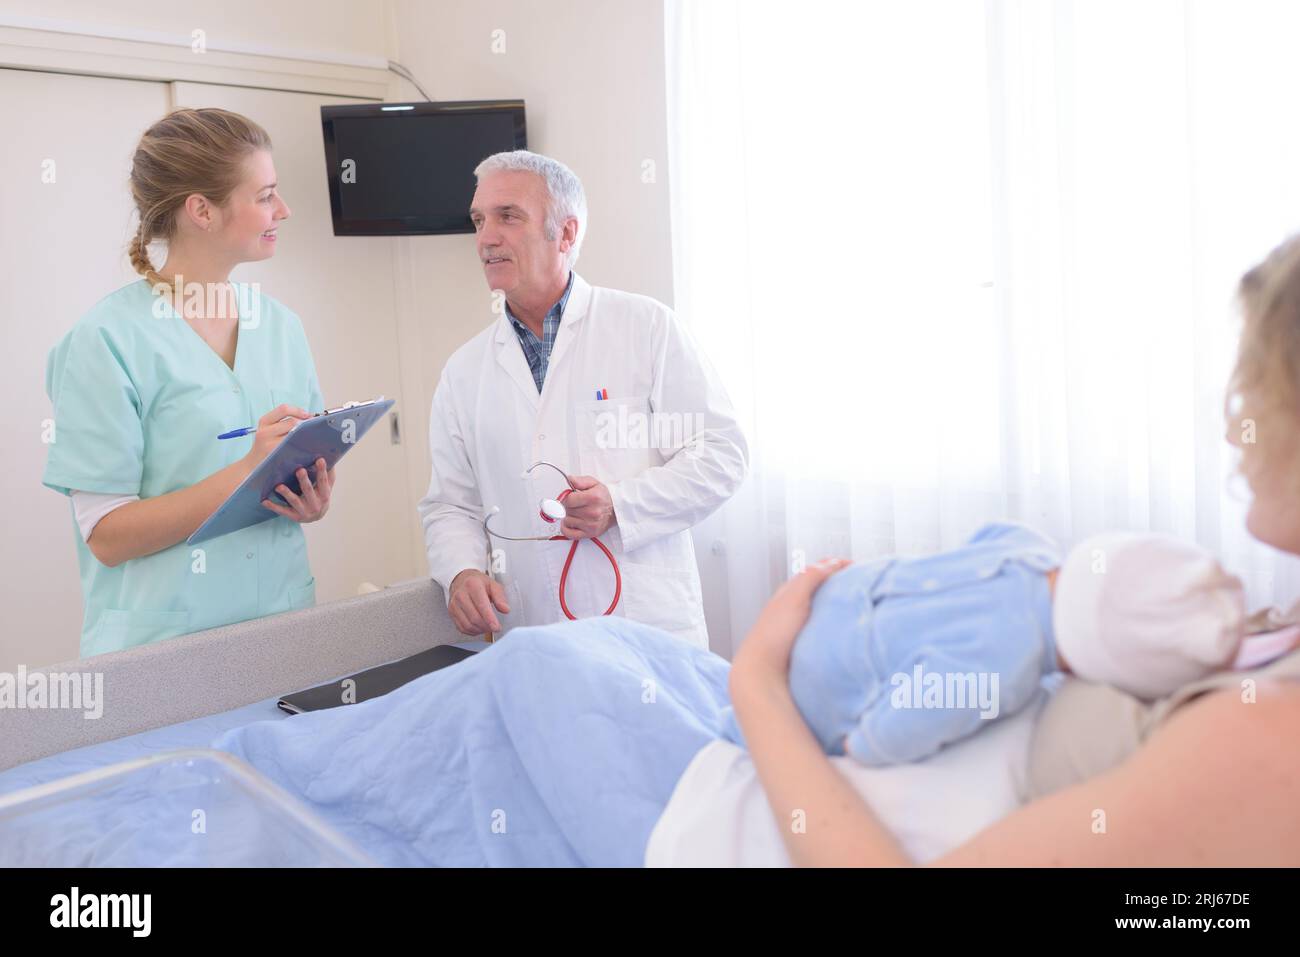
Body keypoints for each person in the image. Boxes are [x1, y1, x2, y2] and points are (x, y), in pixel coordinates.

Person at [417, 150, 748, 648]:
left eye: (508, 216)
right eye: (479, 220)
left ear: (566, 234)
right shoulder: (464, 371)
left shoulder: (645, 327)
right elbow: (450, 504)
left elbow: (721, 454)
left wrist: (619, 503)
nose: (486, 237)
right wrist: (461, 572)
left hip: (647, 633)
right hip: (533, 634)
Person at [42, 108, 335, 658]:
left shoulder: (281, 327)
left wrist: (311, 500)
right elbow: (107, 535)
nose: (284, 210)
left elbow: (301, 471)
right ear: (201, 209)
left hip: (281, 630)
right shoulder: (106, 341)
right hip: (162, 653)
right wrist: (247, 469)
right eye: (265, 195)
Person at [720, 523, 1245, 766]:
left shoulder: (1025, 546)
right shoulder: (1003, 668)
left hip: (832, 597)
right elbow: (906, 723)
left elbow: (983, 536)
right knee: (733, 732)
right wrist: (865, 747)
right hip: (823, 681)